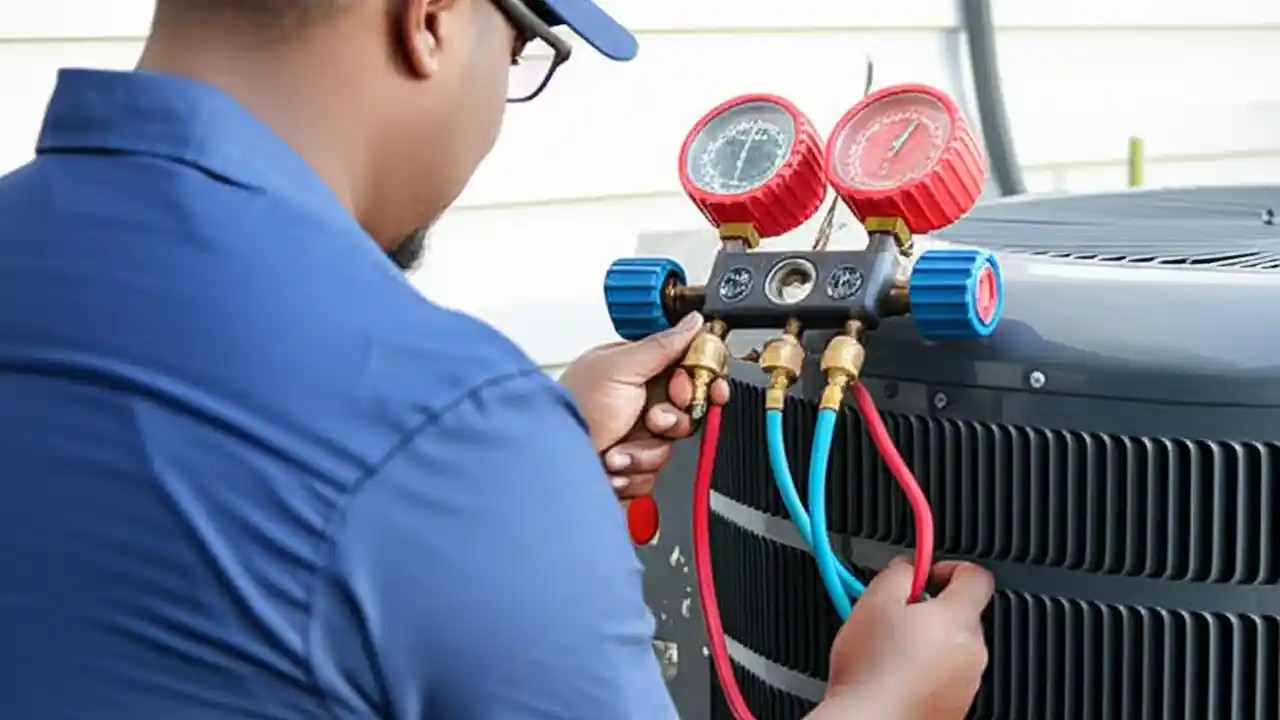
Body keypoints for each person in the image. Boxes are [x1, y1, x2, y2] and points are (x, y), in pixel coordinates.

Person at [0, 0, 994, 718]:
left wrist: (526, 460)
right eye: (521, 50)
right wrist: (888, 705)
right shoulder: (444, 426)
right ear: (427, 19)